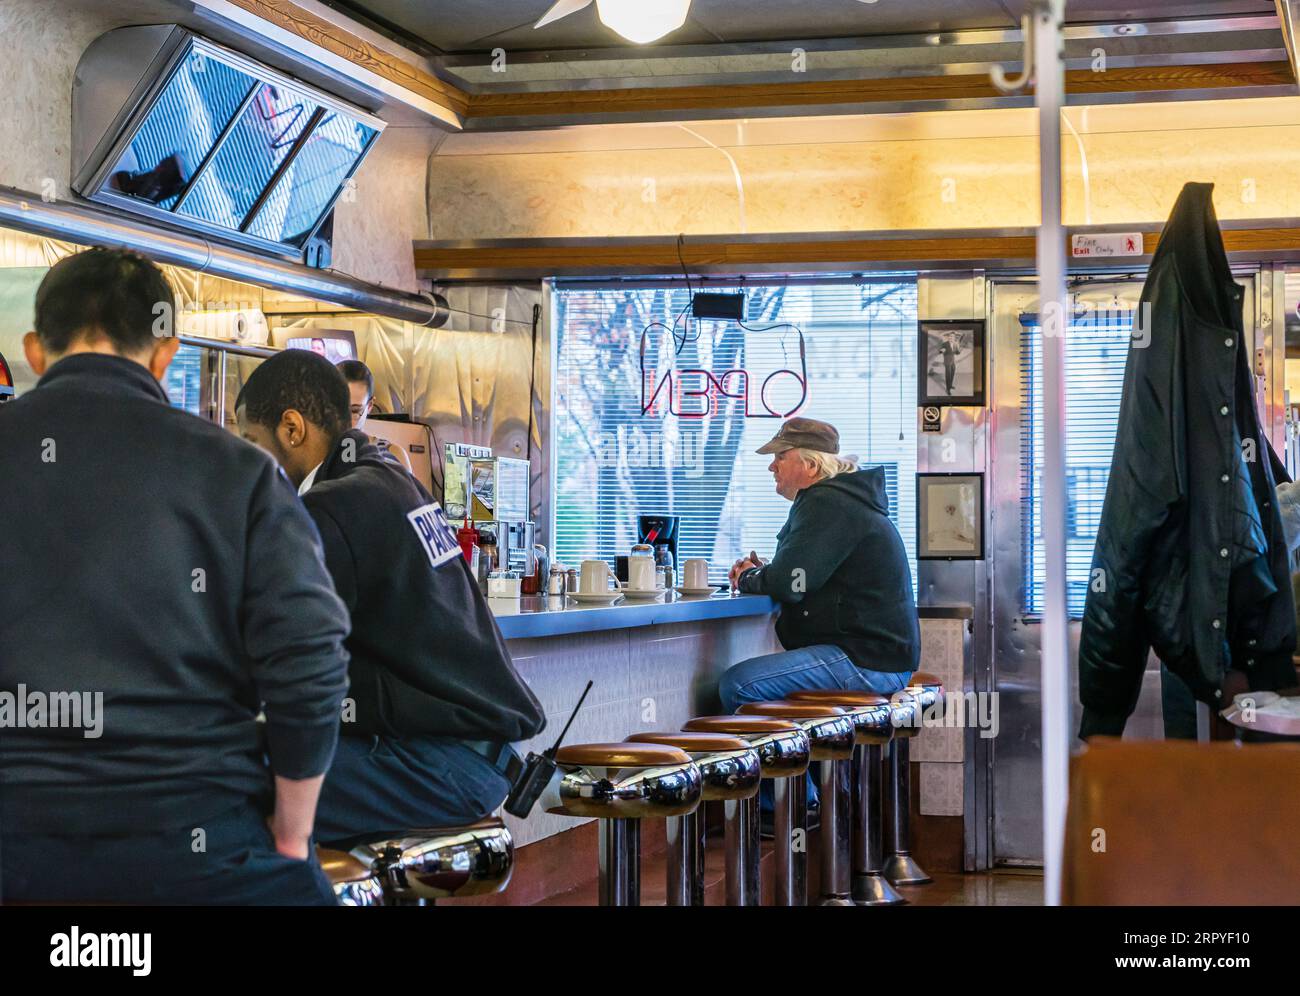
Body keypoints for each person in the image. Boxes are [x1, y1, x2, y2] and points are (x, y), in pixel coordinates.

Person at [0, 248, 350, 904]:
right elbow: (310, 659)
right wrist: (292, 836)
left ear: (36, 352)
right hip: (195, 846)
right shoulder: (240, 473)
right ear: (166, 354)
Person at [235, 351, 546, 843]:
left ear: (291, 429)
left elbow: (271, 645)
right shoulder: (387, 477)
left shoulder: (332, 506)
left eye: (251, 442)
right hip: (477, 756)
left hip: (442, 766)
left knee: (228, 783)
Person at [723, 417, 920, 816]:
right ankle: (808, 798)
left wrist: (749, 578)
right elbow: (800, 573)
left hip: (868, 660)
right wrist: (767, 574)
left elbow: (791, 583)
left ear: (810, 465)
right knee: (753, 686)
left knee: (740, 685)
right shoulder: (844, 501)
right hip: (881, 656)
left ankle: (786, 808)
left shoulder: (827, 502)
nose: (771, 466)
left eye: (780, 456)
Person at [336, 358, 415, 475]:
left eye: (355, 410)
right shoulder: (312, 456)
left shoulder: (392, 457)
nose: (345, 420)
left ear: (370, 406)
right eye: (338, 407)